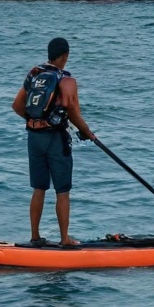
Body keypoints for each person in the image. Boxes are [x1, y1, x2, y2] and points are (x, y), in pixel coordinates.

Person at [11, 36, 94, 247]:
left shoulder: (34, 73)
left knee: (39, 188)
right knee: (62, 191)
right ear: (65, 56)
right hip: (57, 139)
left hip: (34, 138)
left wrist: (37, 121)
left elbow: (17, 106)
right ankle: (65, 239)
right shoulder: (66, 80)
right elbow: (74, 113)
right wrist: (88, 133)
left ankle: (35, 236)